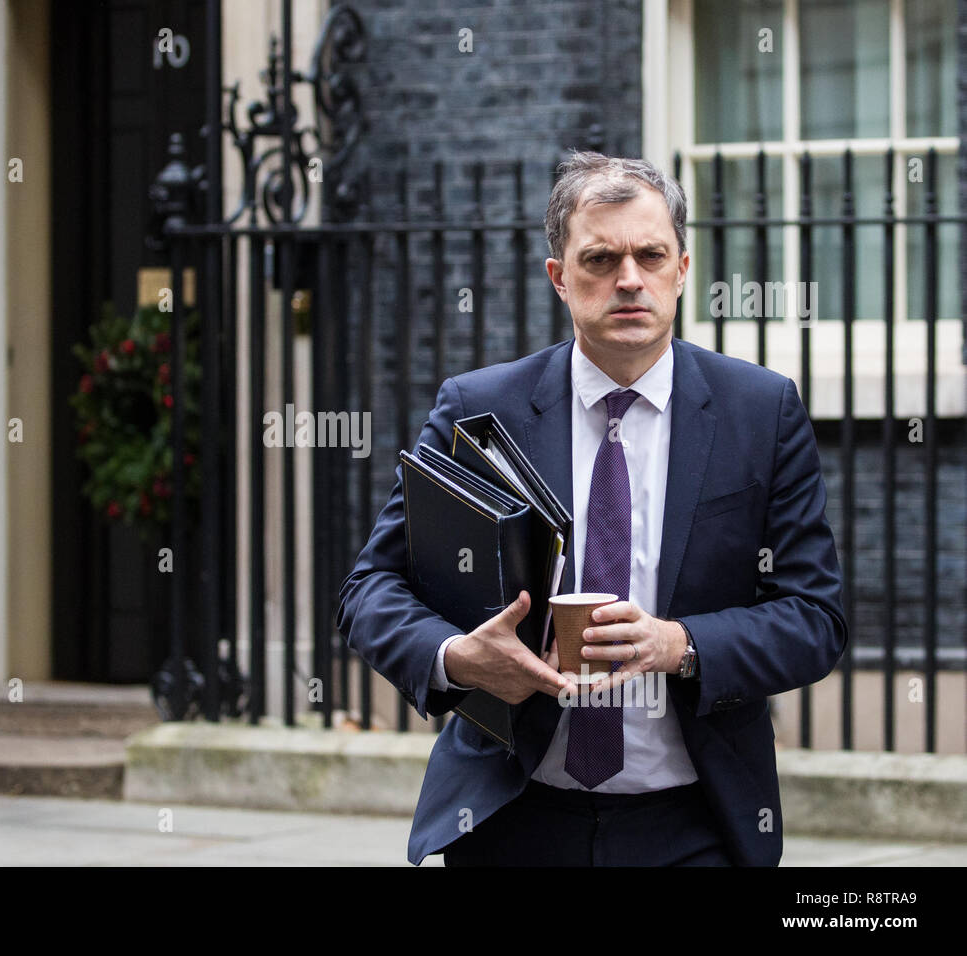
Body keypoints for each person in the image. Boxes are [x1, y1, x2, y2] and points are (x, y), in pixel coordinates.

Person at [335, 151, 848, 866]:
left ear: (682, 268)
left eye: (649, 254)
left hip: (695, 825)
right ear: (559, 277)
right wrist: (462, 658)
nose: (629, 279)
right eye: (601, 259)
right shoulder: (481, 410)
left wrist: (679, 644)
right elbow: (370, 592)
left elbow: (816, 618)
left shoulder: (761, 412)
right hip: (511, 817)